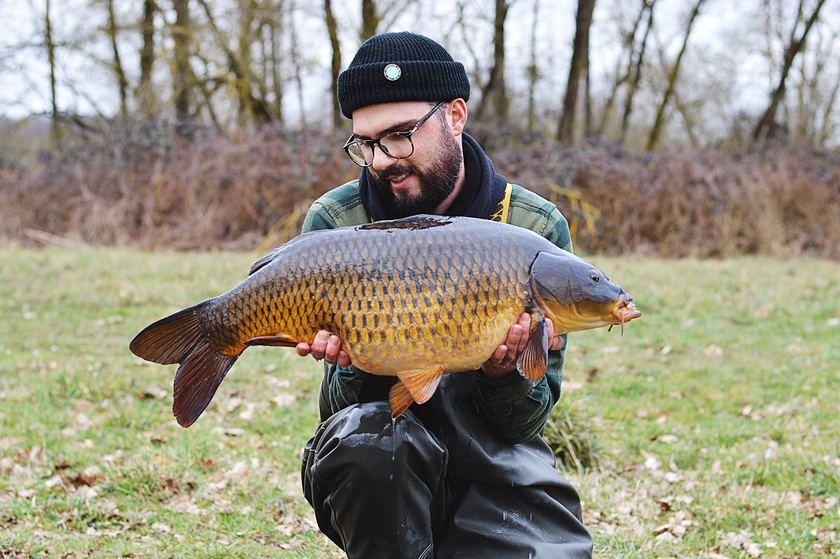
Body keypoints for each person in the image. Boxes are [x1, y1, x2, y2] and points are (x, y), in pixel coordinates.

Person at [296, 31, 593, 559]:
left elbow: (526, 423)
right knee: (370, 447)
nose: (382, 160)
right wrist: (353, 361)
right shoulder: (335, 224)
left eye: (400, 135)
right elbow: (339, 416)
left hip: (497, 463)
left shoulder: (533, 227)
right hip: (380, 455)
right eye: (365, 144)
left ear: (455, 116)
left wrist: (504, 373)